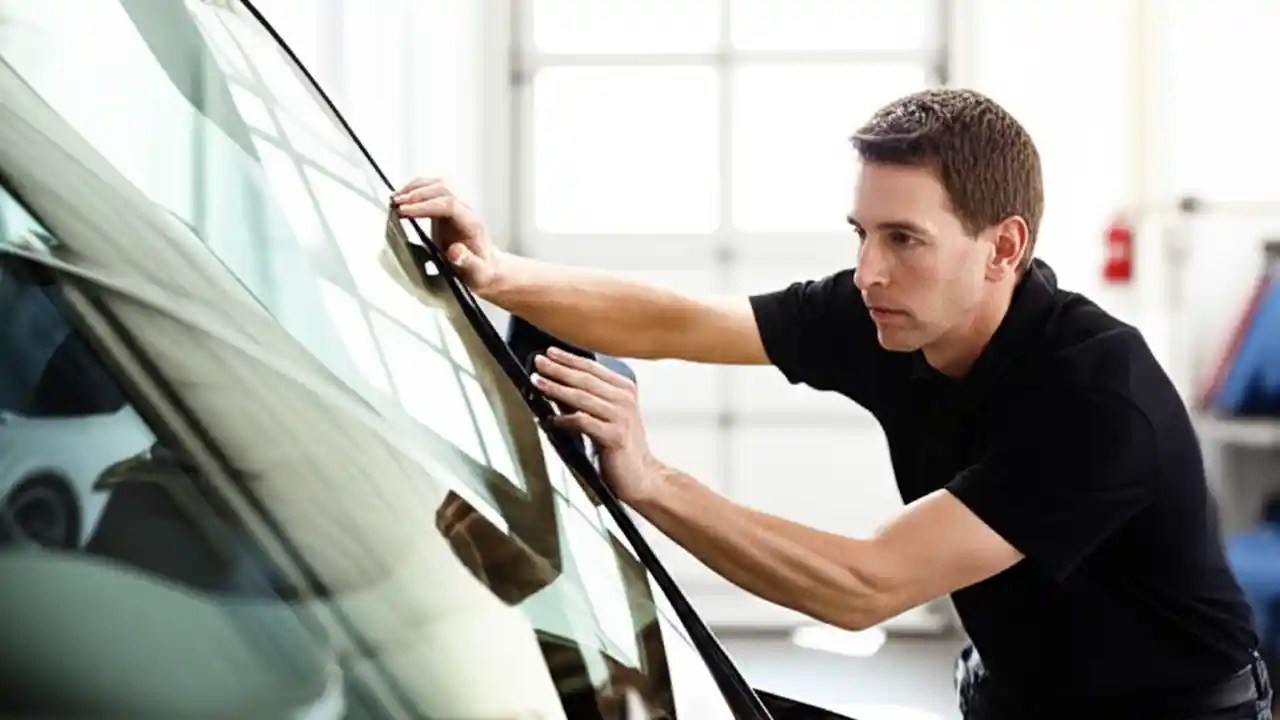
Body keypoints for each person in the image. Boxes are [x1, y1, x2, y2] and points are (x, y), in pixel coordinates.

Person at [392, 88, 1273, 719]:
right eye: (861, 234)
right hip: (1009, 693)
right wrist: (501, 274)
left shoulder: (1097, 396)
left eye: (905, 239)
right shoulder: (887, 309)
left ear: (1003, 246)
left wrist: (652, 480)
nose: (869, 270)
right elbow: (682, 321)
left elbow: (866, 585)